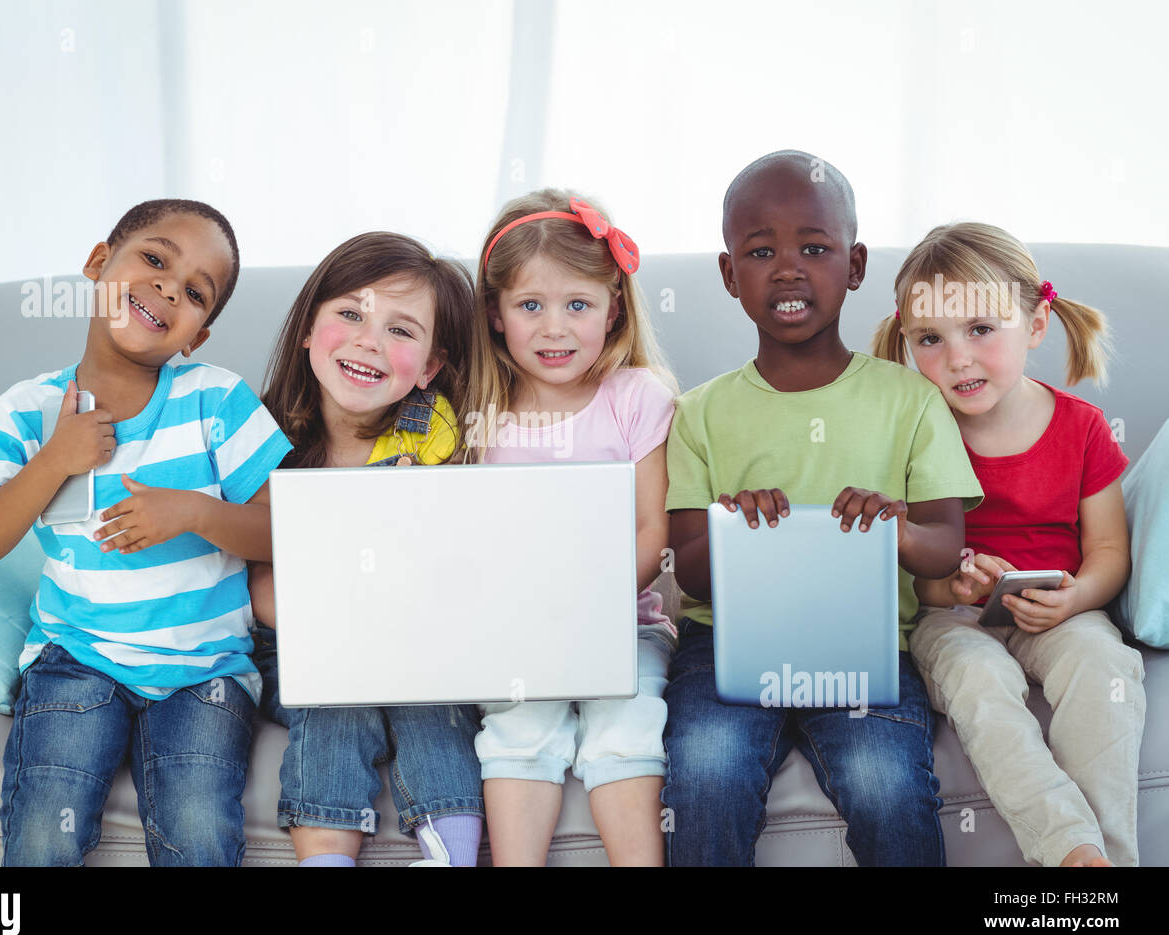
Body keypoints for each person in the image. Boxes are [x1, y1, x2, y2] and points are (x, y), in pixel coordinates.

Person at [663, 150, 984, 866]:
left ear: (855, 265)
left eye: (814, 249)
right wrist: (733, 531)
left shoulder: (909, 400)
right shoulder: (698, 413)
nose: (787, 270)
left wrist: (897, 529)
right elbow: (689, 572)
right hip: (725, 644)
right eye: (760, 252)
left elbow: (944, 547)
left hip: (865, 643)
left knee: (884, 781)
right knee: (708, 772)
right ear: (728, 275)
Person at [0, 199, 292, 865]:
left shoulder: (218, 400)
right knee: (44, 831)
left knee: (198, 830)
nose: (168, 288)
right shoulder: (23, 411)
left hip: (206, 669)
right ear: (98, 261)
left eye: (195, 292)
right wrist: (55, 460)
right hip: (76, 656)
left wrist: (194, 513)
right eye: (155, 259)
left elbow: (287, 530)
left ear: (196, 337)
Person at [873, 221, 1146, 866]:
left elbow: (1110, 551)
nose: (958, 358)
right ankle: (1072, 849)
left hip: (1060, 610)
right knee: (978, 678)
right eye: (931, 339)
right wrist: (948, 583)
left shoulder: (1082, 427)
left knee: (1104, 667)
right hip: (954, 617)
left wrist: (1076, 598)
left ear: (1037, 323)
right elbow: (912, 571)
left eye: (980, 329)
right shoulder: (914, 434)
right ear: (907, 343)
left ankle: (1105, 866)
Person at [249, 231, 483, 866]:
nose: (370, 340)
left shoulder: (437, 442)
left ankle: (450, 853)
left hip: (412, 633)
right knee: (335, 700)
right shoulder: (261, 441)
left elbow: (456, 566)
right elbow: (262, 585)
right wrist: (339, 630)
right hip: (303, 639)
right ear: (308, 330)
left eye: (400, 330)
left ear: (429, 367)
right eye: (351, 314)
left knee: (432, 699)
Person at [463, 187, 677, 866]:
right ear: (495, 314)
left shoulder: (636, 397)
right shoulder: (477, 410)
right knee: (519, 728)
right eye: (530, 306)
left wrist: (589, 604)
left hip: (623, 622)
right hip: (516, 631)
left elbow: (652, 532)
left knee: (626, 721)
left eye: (577, 305)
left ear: (613, 310)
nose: (554, 328)